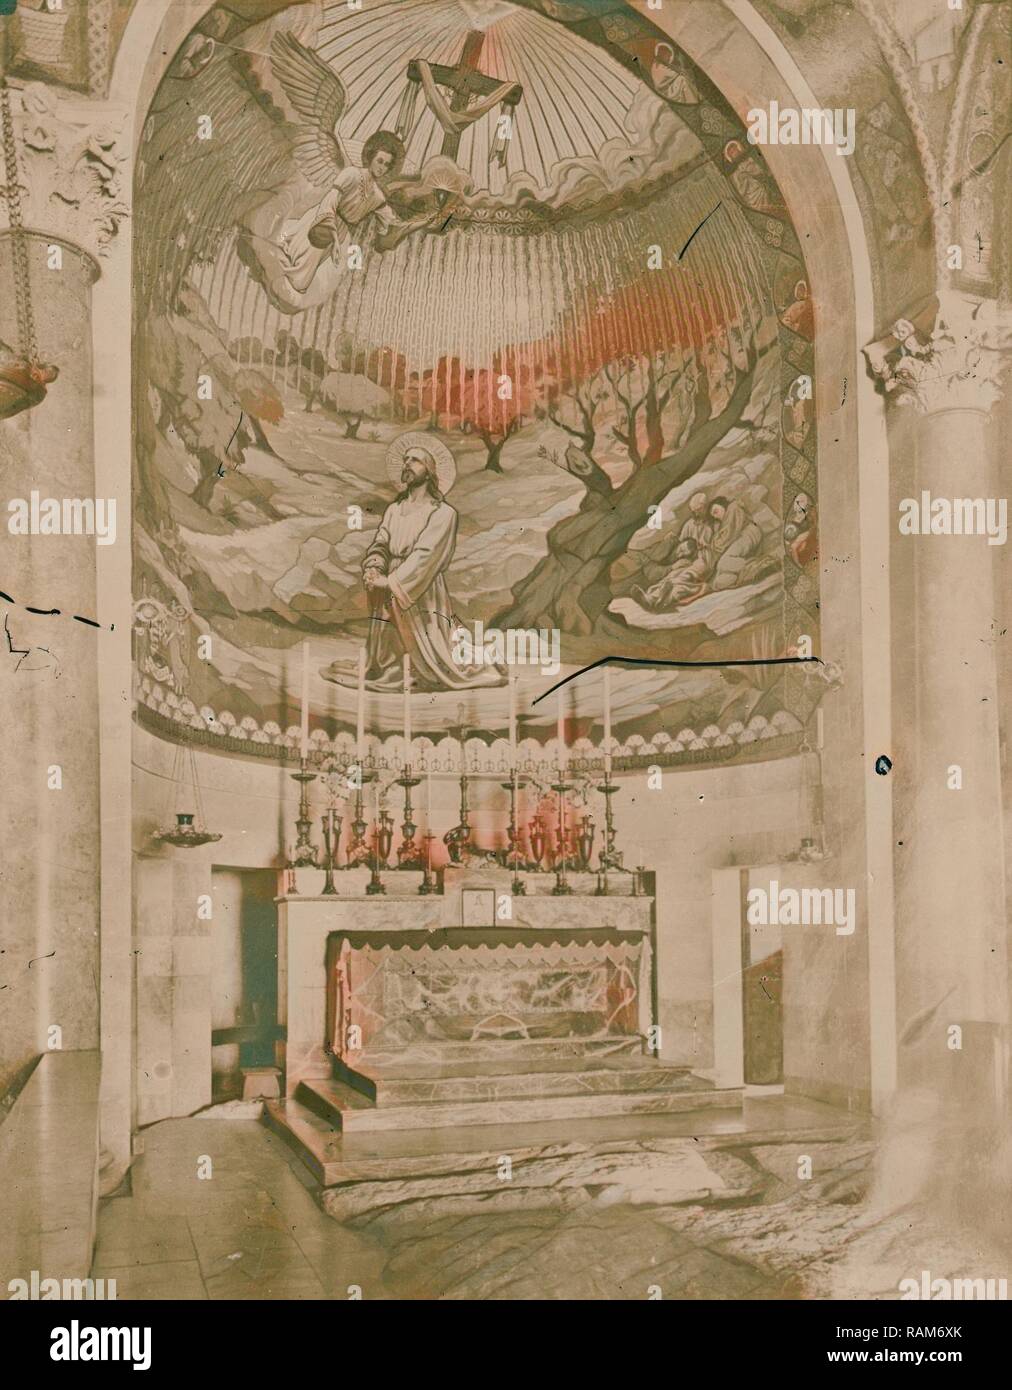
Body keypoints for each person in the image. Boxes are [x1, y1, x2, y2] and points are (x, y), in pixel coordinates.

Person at [361, 434, 502, 691]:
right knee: (389, 660)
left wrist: (390, 581)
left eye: (415, 460)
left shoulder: (443, 513)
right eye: (405, 460)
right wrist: (373, 566)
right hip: (390, 585)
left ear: (429, 470)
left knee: (432, 654)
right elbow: (381, 542)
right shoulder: (395, 509)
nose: (407, 464)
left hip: (421, 588)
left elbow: (426, 555)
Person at [632, 536, 710, 611]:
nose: (679, 555)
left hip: (669, 581)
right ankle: (652, 599)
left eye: (683, 555)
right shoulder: (665, 546)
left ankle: (651, 599)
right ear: (680, 543)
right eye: (681, 550)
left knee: (674, 582)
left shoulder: (686, 563)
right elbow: (652, 572)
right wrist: (672, 567)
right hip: (644, 572)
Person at [708, 495, 763, 591]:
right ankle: (742, 574)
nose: (716, 516)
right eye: (714, 516)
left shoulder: (733, 508)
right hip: (741, 537)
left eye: (716, 511)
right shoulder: (726, 519)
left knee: (722, 563)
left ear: (722, 505)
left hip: (748, 533)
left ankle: (754, 566)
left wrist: (715, 543)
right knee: (717, 582)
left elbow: (728, 536)